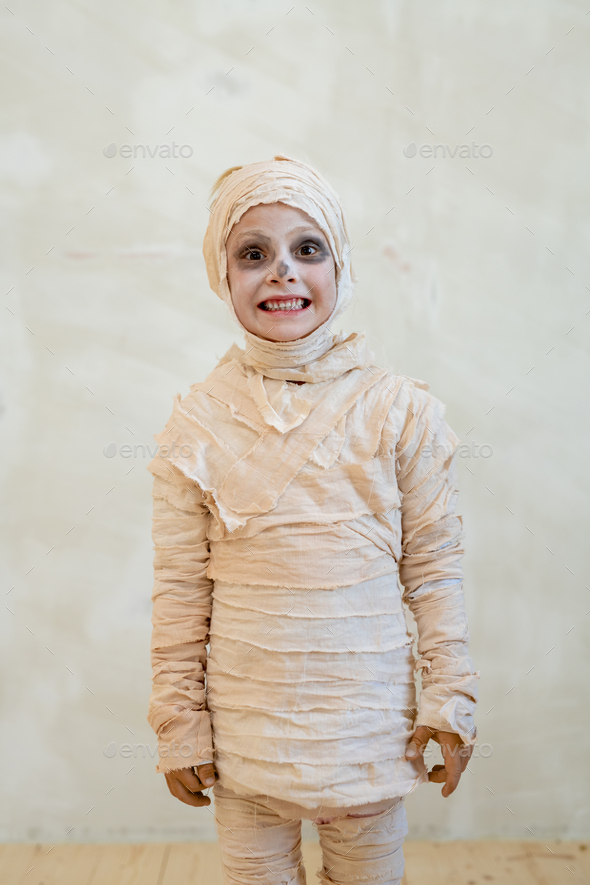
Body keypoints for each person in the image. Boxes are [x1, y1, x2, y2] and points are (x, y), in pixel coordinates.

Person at [146, 154, 480, 884]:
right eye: (252, 254)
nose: (282, 272)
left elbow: (433, 568)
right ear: (220, 274)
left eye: (308, 248)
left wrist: (449, 696)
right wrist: (179, 724)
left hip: (366, 732)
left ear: (340, 263)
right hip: (247, 739)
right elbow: (178, 588)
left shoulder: (398, 411)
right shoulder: (198, 423)